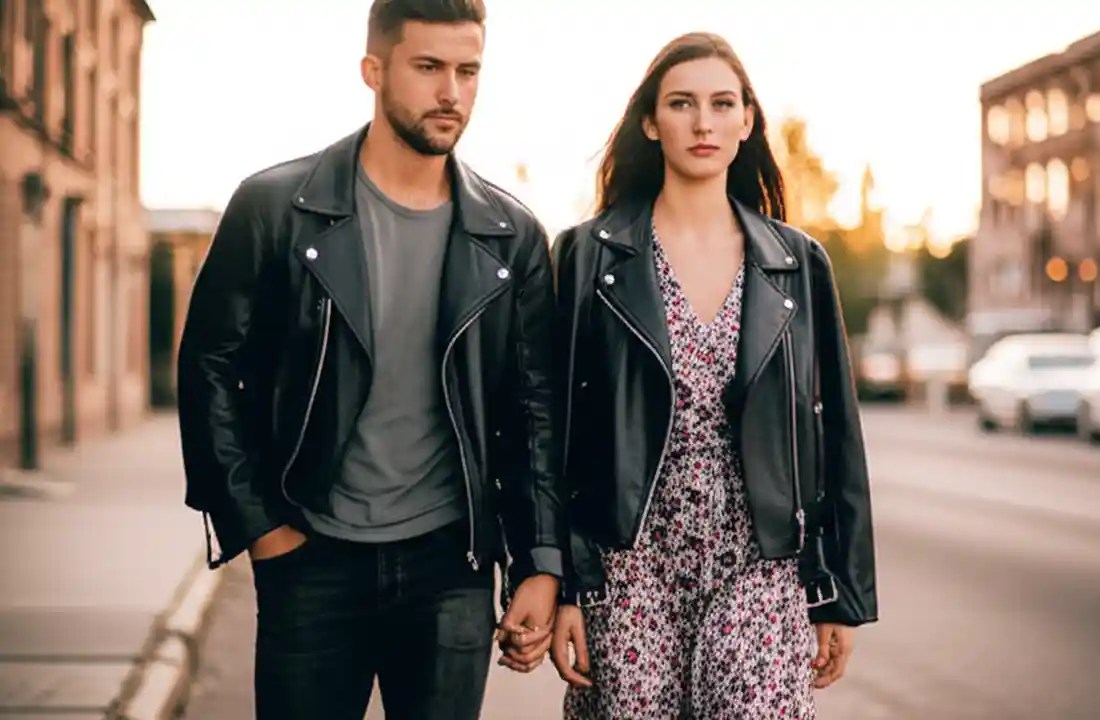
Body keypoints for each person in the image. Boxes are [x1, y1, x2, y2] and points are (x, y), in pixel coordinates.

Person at [176, 1, 563, 717]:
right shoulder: (275, 209)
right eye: (428, 68)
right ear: (374, 71)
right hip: (312, 555)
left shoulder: (510, 238)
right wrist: (261, 527)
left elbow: (534, 411)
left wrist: (540, 563)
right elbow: (208, 372)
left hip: (451, 564)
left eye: (467, 70)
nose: (451, 92)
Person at [548, 32, 878, 718]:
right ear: (650, 121)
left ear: (747, 120)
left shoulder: (795, 261)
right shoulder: (586, 256)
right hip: (628, 564)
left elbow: (837, 431)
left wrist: (840, 592)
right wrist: (563, 585)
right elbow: (554, 430)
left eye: (722, 104)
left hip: (760, 566)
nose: (703, 123)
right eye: (682, 104)